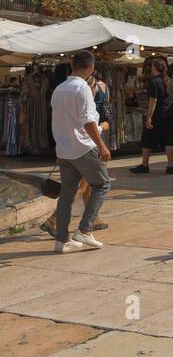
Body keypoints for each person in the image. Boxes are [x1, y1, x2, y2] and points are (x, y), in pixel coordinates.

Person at [49, 50, 112, 253]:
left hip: (64, 150)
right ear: (90, 68)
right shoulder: (82, 88)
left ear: (72, 66)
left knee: (66, 195)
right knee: (102, 184)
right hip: (83, 147)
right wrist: (102, 145)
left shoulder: (59, 89)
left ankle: (62, 240)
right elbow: (87, 121)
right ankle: (84, 230)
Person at [131, 57, 173, 175]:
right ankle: (170, 166)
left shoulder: (154, 82)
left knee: (147, 139)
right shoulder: (171, 80)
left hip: (157, 115)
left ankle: (145, 165)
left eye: (152, 66)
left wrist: (149, 116)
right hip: (170, 114)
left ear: (155, 68)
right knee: (168, 141)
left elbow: (153, 100)